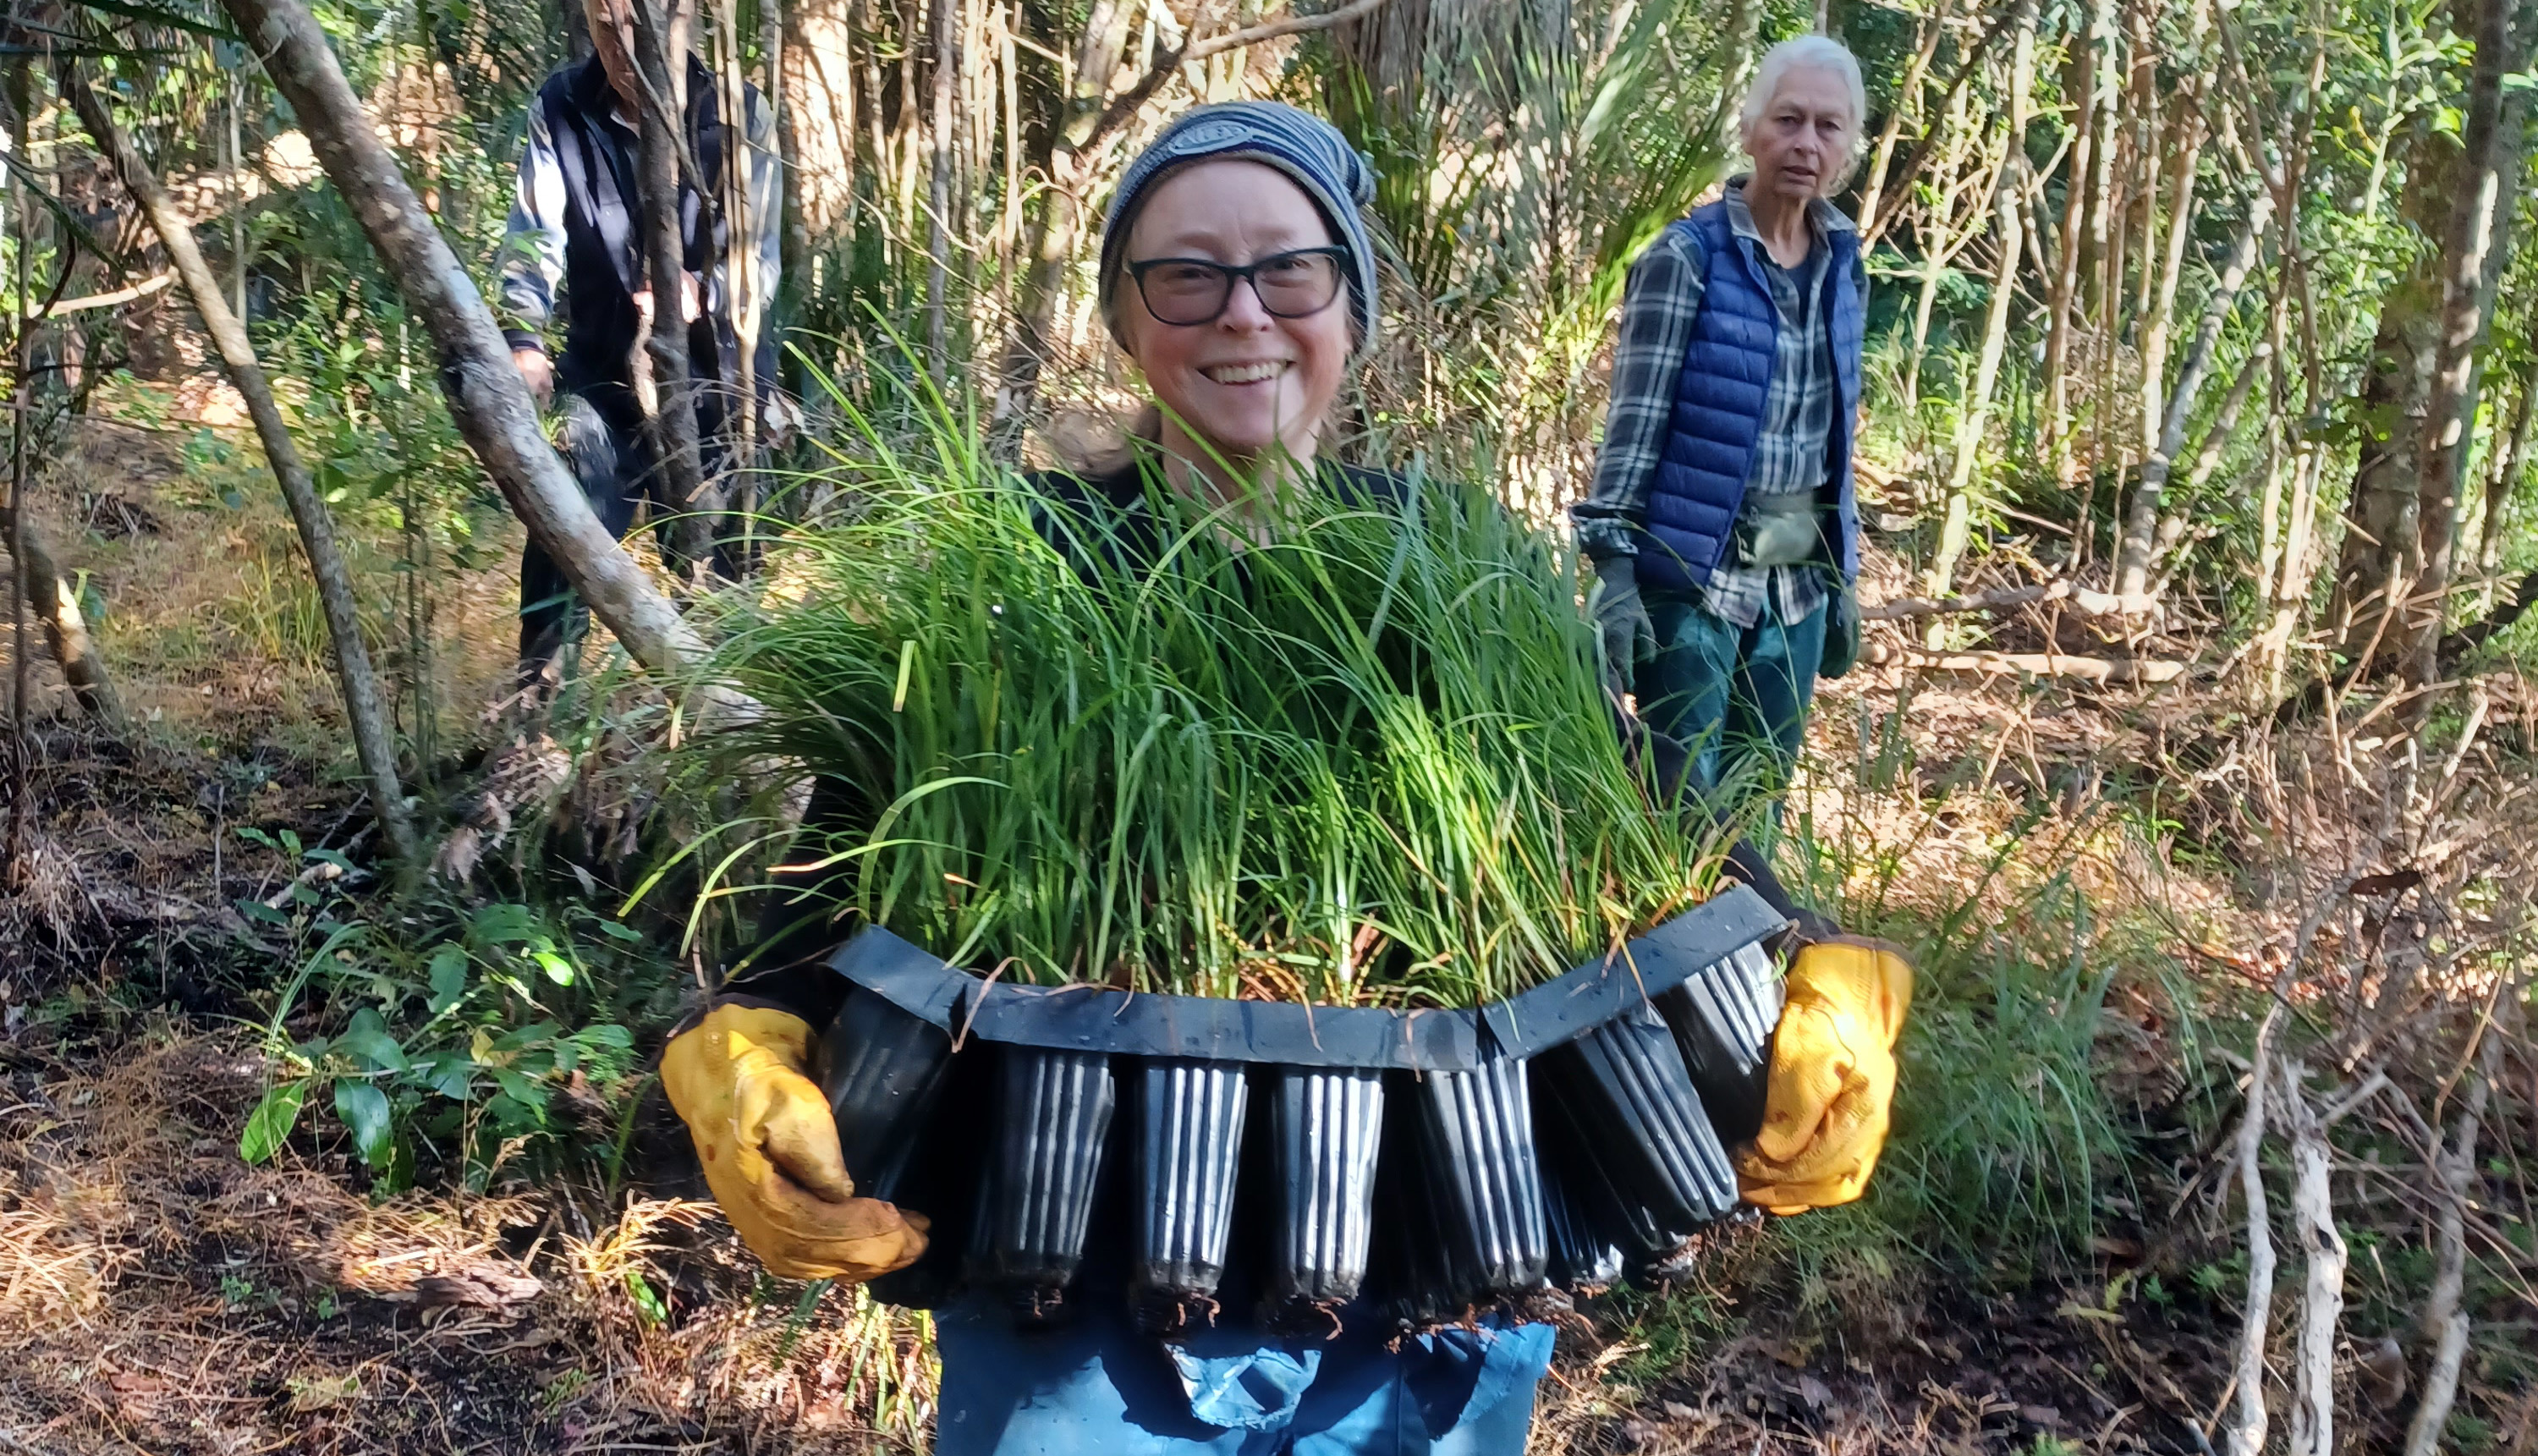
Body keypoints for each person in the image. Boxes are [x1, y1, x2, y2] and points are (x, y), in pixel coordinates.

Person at [657, 100, 1905, 1456]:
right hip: (1073, 1299)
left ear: (1348, 305)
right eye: (1186, 273)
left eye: (1287, 269)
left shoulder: (1456, 556)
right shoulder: (1016, 565)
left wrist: (1814, 959)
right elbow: (856, 854)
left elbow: (1629, 827)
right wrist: (747, 1029)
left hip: (1429, 1276)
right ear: (1127, 320)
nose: (1241, 314)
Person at [1574, 35, 1869, 832]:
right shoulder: (1686, 257)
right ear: (1750, 130)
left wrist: (1846, 572)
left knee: (1759, 791)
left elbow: (1835, 430)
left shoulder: (1845, 258)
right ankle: (1672, 949)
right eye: (1789, 119)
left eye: (1828, 127)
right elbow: (1634, 422)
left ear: (1849, 145)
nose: (1806, 143)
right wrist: (1614, 568)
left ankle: (1758, 952)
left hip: (1793, 561)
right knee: (1679, 796)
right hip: (1694, 564)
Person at [497, 0, 780, 691]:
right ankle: (539, 709)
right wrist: (523, 339)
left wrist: (702, 294)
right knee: (567, 507)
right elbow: (534, 234)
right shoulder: (562, 107)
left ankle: (712, 732)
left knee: (720, 577)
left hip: (721, 384)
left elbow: (762, 264)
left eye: (640, 23)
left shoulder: (741, 115)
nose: (624, 46)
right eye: (605, 26)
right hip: (605, 372)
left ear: (685, 16)